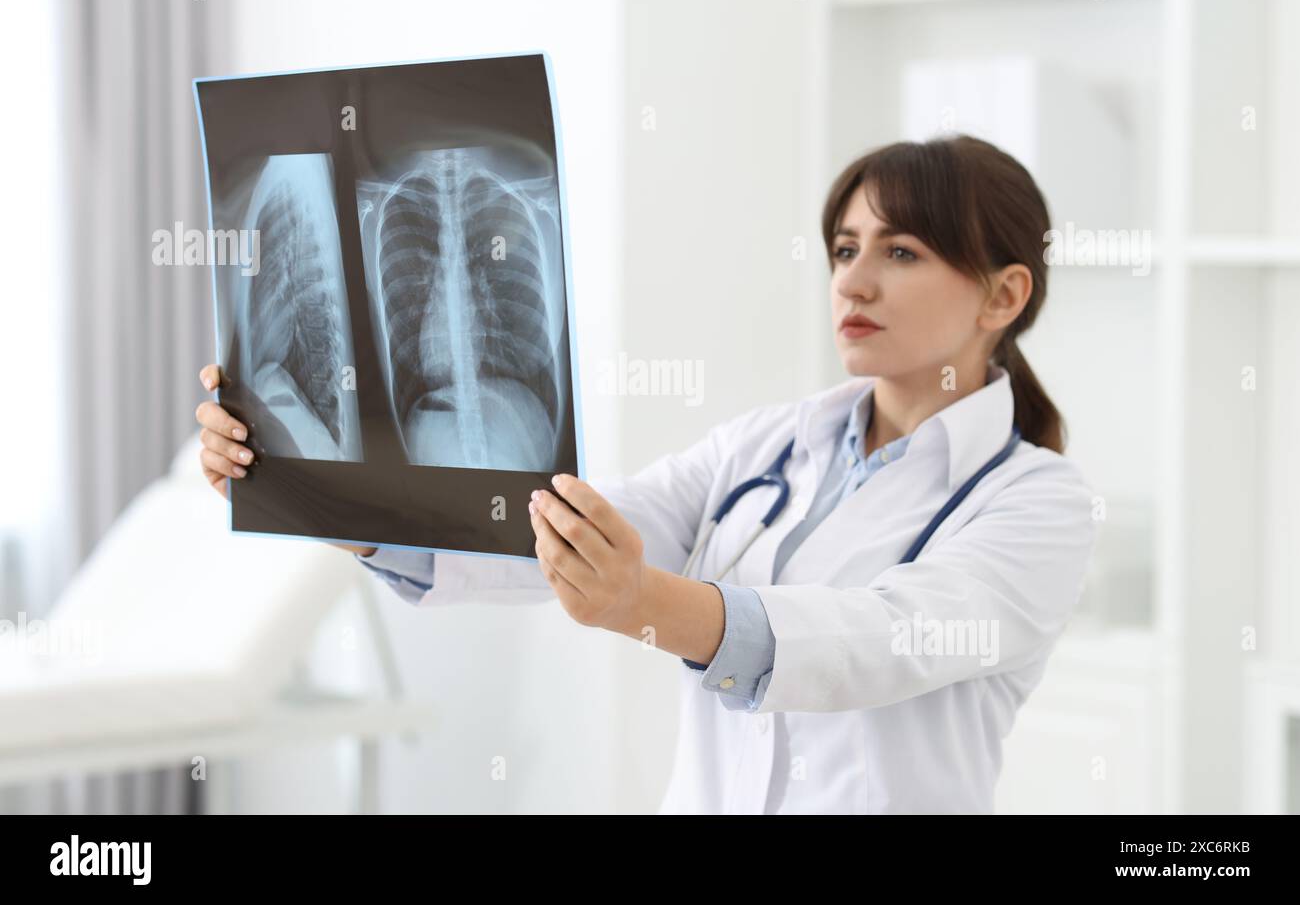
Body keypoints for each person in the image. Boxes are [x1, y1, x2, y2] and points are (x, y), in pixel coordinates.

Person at [195, 135, 1098, 813]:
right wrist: (318, 488)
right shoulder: (769, 445)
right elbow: (574, 525)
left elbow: (880, 639)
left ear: (1003, 295)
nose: (853, 282)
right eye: (843, 249)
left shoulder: (1038, 504)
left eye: (900, 252)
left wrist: (645, 605)